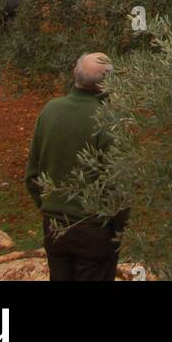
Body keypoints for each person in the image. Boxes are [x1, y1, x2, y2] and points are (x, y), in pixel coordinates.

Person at [25, 52, 127, 281]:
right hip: (95, 230)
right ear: (107, 84)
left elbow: (32, 174)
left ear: (74, 74)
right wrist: (118, 225)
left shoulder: (50, 110)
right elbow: (119, 183)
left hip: (54, 228)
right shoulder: (108, 120)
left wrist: (48, 207)